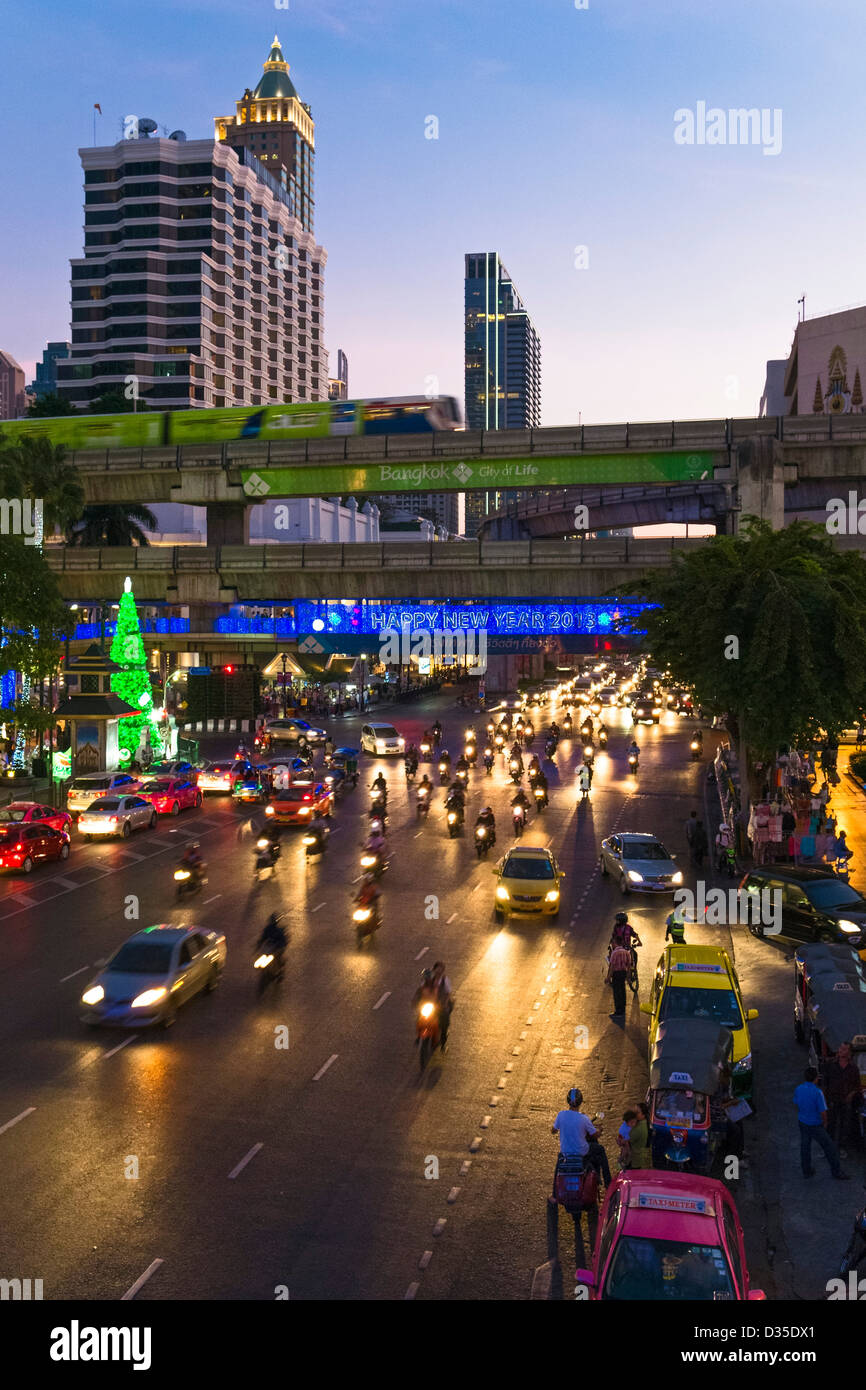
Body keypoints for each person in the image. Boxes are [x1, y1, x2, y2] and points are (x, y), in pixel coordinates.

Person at [793, 1066, 849, 1180]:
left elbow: (796, 1103)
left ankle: (807, 1171)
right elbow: (823, 1111)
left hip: (803, 1122)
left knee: (805, 1147)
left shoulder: (799, 1089)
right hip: (815, 1124)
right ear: (816, 1078)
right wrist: (825, 1123)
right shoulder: (817, 1092)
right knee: (830, 1147)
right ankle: (837, 1171)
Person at [551, 1088, 611, 1190]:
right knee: (600, 1150)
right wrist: (600, 1130)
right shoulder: (584, 1118)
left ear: (568, 1101)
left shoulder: (561, 1115)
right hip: (581, 1152)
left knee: (559, 1162)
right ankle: (608, 1184)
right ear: (581, 1102)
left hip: (566, 1152)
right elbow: (595, 1135)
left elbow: (553, 1130)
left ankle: (554, 1194)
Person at [823, 1043, 862, 1153]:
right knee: (831, 1124)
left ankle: (841, 1147)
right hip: (832, 1100)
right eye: (840, 1048)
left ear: (849, 1053)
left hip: (846, 1101)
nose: (841, 1050)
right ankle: (828, 1148)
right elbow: (825, 1083)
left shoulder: (853, 1068)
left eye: (844, 1049)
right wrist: (824, 1101)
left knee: (845, 1126)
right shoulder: (830, 1065)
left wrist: (851, 1094)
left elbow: (857, 1086)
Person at [429, 961, 454, 1050]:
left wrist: (444, 1003)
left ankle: (443, 1044)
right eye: (437, 969)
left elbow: (448, 993)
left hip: (442, 1004)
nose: (438, 972)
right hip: (431, 1004)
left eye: (440, 970)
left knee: (444, 1024)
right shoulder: (430, 979)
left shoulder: (445, 980)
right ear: (434, 970)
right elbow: (422, 989)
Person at [607, 938, 632, 1018]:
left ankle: (618, 1011)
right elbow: (629, 966)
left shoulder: (614, 953)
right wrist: (628, 977)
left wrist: (608, 977)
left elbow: (612, 966)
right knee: (622, 990)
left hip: (616, 974)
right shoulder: (626, 953)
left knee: (617, 992)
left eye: (612, 944)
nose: (612, 945)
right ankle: (623, 1009)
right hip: (623, 973)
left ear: (615, 943)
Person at [629, 1102, 653, 1170]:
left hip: (635, 1161)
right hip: (639, 1159)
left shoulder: (639, 1128)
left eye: (637, 1112)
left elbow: (626, 1139)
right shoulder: (642, 1123)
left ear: (643, 1115)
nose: (634, 1113)